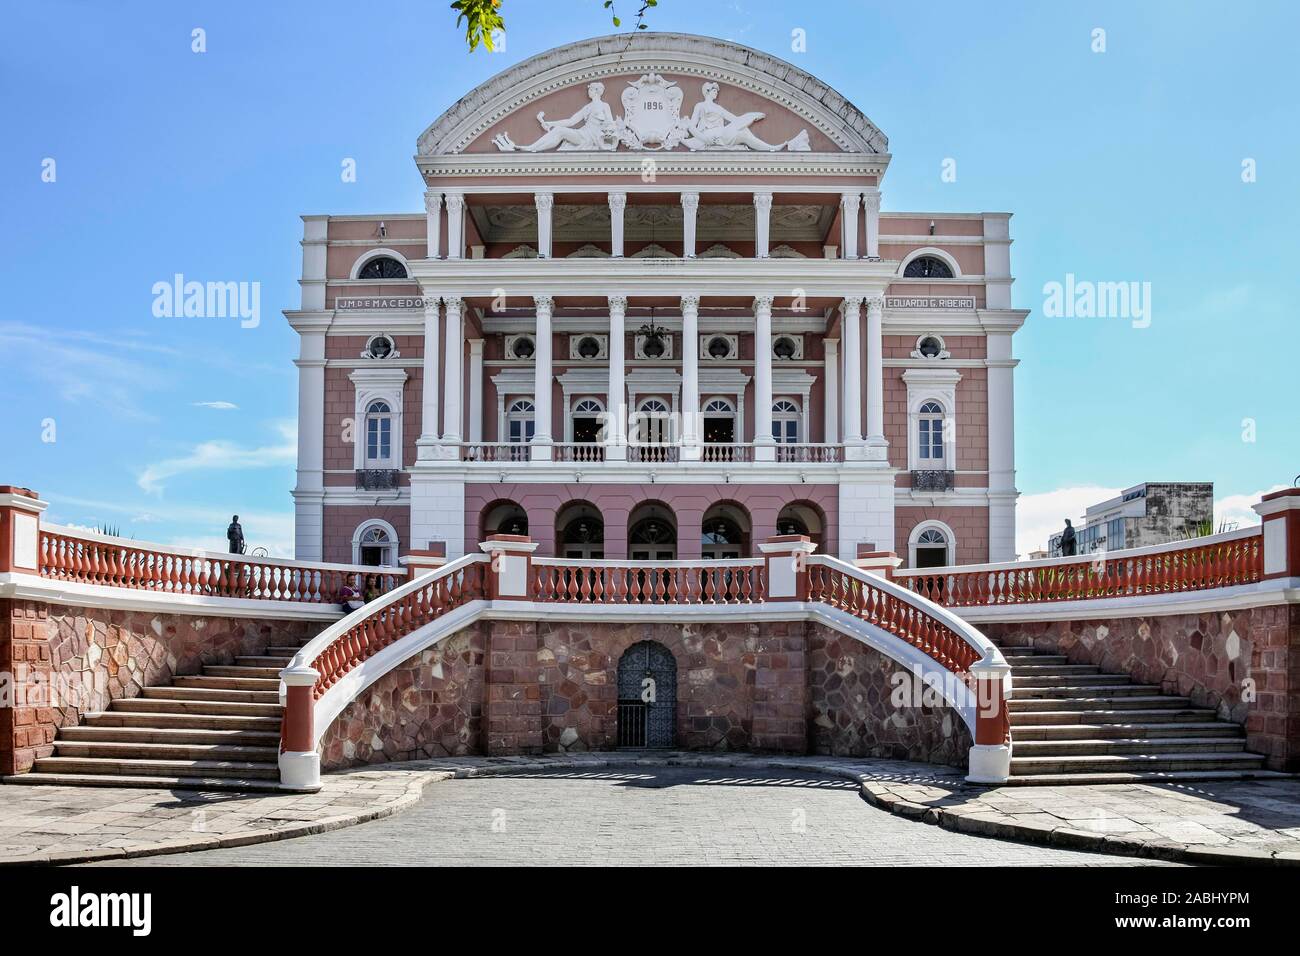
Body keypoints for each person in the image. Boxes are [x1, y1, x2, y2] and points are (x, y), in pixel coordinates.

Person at [492, 82, 619, 152]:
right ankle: (531, 148)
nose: (588, 92)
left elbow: (610, 124)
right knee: (559, 131)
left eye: (590, 90)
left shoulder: (604, 106)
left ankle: (531, 148)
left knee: (559, 131)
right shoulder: (587, 107)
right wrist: (551, 123)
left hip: (591, 138)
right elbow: (571, 121)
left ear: (596, 91)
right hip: (583, 135)